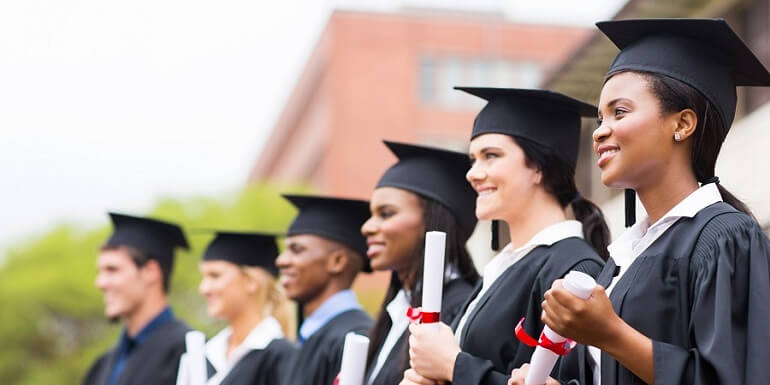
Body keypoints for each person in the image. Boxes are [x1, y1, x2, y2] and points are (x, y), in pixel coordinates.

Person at [510, 18, 770, 385]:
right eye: (600, 117)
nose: (600, 131)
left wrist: (611, 334)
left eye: (620, 112)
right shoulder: (622, 260)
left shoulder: (726, 238)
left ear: (682, 124)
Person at [404, 88, 609, 385]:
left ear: (539, 166)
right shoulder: (503, 267)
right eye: (473, 159)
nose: (472, 173)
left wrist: (453, 365)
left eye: (491, 156)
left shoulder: (572, 270)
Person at [362, 140, 480, 385]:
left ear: (430, 221)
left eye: (386, 214)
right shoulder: (395, 312)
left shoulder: (461, 309)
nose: (367, 228)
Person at [82, 213, 190, 385]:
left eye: (112, 270)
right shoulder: (103, 365)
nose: (100, 283)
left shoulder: (188, 353)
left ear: (150, 272)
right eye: (100, 272)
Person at [175, 232, 296, 385]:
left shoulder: (281, 356)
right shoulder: (204, 354)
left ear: (251, 281)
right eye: (204, 277)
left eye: (215, 275)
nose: (203, 288)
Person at [278, 195, 373, 385]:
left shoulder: (354, 337)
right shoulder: (308, 335)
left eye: (297, 250)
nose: (281, 261)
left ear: (337, 262)